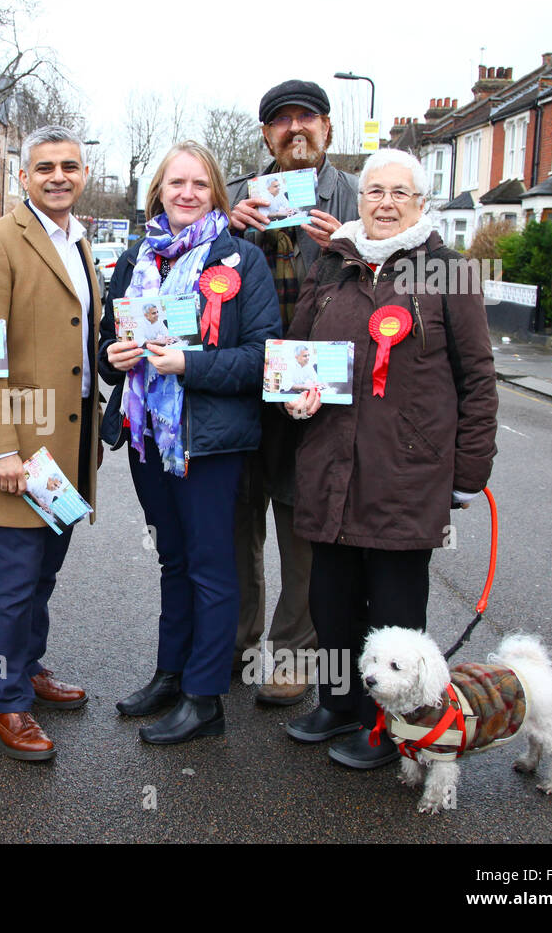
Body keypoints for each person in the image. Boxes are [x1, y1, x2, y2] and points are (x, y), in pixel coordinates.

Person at [282, 148, 497, 768]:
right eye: (375, 191)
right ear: (360, 199)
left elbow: (478, 378)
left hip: (407, 471)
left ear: (421, 203)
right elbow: (294, 355)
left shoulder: (446, 272)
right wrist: (293, 399)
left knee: (395, 607)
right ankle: (338, 701)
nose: (385, 203)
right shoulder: (333, 267)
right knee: (331, 597)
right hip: (329, 464)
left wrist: (467, 471)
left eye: (400, 193)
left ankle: (391, 727)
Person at [101, 141, 280, 744]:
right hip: (150, 436)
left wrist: (188, 365)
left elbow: (261, 359)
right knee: (172, 559)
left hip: (209, 444)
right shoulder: (134, 259)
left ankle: (205, 698)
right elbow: (108, 349)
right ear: (158, 190)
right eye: (176, 182)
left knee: (210, 566)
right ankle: (170, 674)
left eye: (199, 185)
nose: (186, 193)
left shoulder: (241, 261)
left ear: (216, 194)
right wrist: (115, 356)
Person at [0, 124, 100, 762]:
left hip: (67, 452)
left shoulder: (80, 241)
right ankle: (6, 700)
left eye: (69, 166)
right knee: (12, 582)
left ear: (84, 174)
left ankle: (28, 669)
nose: (59, 176)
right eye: (46, 168)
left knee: (42, 576)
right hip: (18, 453)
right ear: (24, 177)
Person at [226, 79, 359, 705]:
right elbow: (179, 276)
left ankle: (291, 655)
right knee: (236, 521)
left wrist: (353, 248)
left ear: (328, 129)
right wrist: (226, 235)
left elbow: (410, 279)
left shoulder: (361, 198)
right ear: (266, 136)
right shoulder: (233, 199)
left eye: (308, 118)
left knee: (304, 527)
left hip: (317, 392)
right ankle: (236, 640)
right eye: (282, 122)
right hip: (242, 388)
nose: (295, 129)